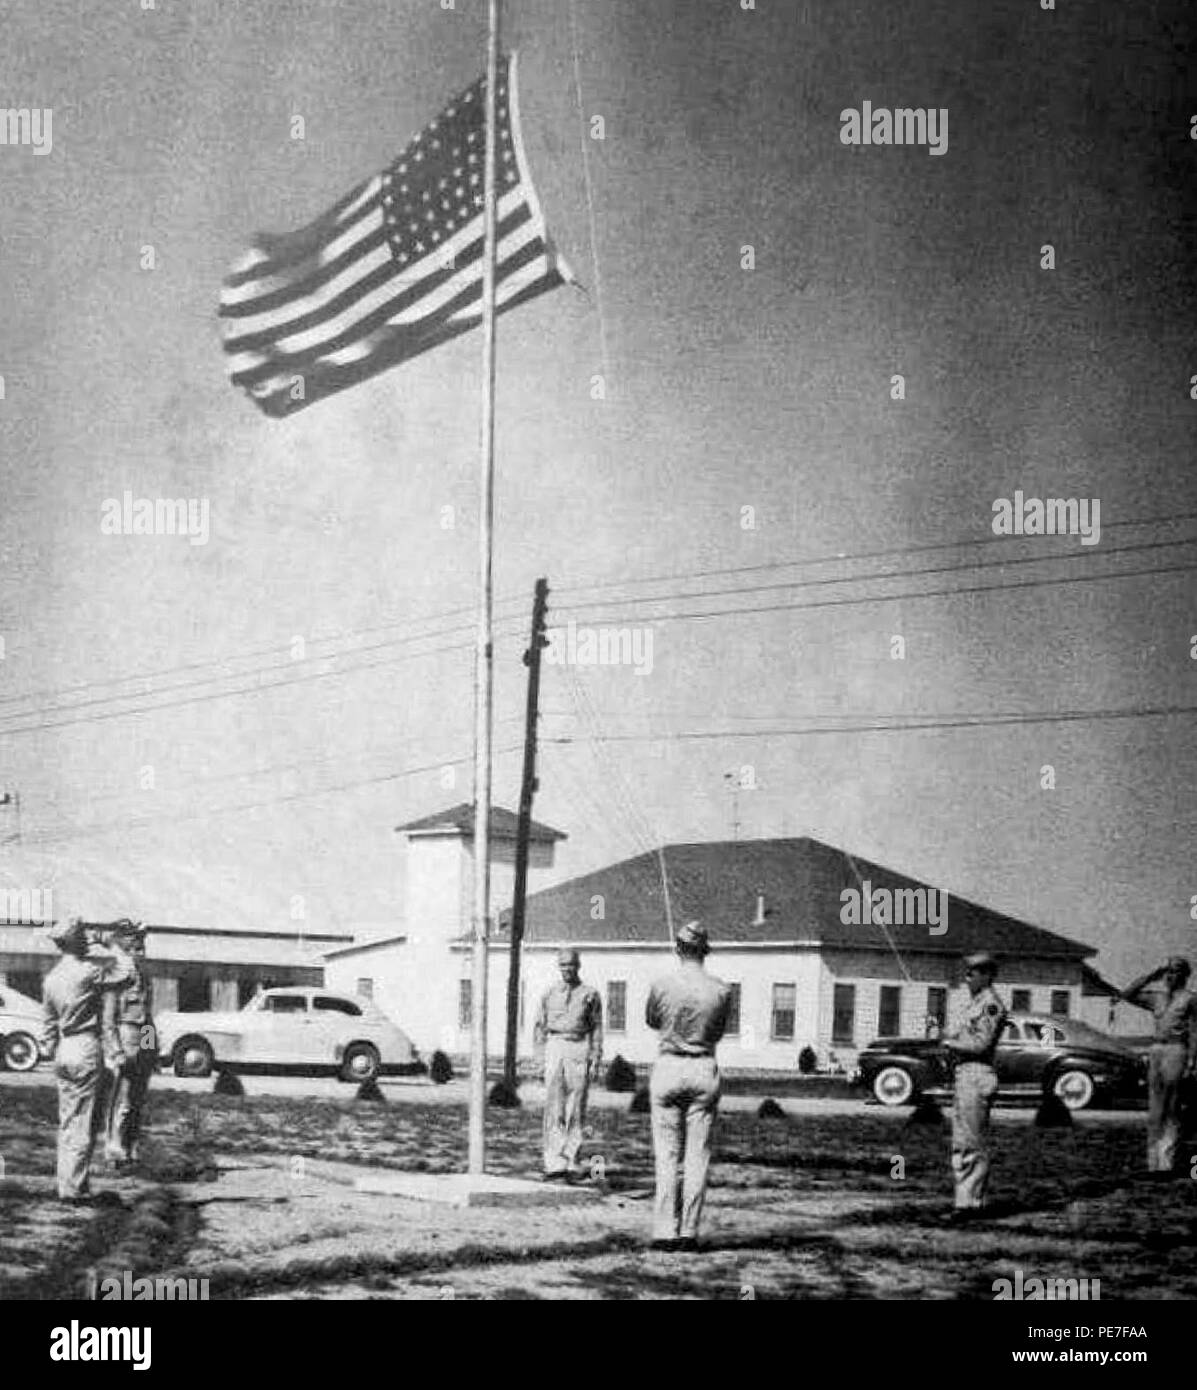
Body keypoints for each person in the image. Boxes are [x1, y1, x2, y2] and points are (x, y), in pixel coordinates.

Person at [645, 921, 732, 1250]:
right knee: (698, 1156)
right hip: (702, 1067)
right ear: (704, 951)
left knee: (666, 1155)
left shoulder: (662, 984)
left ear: (679, 949)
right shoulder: (721, 990)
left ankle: (665, 1231)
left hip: (669, 1066)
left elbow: (652, 1020)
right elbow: (719, 1032)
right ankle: (688, 1232)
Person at [38, 918, 125, 1203]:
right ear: (76, 940)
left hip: (64, 1048)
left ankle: (71, 1181)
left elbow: (48, 1027)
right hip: (86, 1045)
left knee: (68, 1120)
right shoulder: (88, 971)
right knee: (84, 1120)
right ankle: (73, 1190)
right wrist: (111, 944)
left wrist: (54, 1049)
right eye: (84, 936)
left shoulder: (51, 979)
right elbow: (125, 973)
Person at [941, 951, 1007, 1222]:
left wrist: (949, 1043)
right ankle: (965, 1201)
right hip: (964, 1074)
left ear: (987, 975)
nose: (967, 978)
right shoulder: (974, 1004)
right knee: (961, 1141)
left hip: (977, 1074)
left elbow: (981, 1044)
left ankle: (971, 1204)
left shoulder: (991, 1005)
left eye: (973, 973)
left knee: (971, 1141)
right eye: (967, 973)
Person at [1120, 956, 1197, 1173]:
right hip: (1156, 1049)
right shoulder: (1157, 999)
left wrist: (1192, 1060)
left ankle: (1167, 1161)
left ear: (1185, 975)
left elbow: (1194, 1030)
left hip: (1176, 1049)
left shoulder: (1190, 999)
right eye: (1168, 972)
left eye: (1176, 972)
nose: (1171, 976)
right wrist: (1151, 976)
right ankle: (1152, 1163)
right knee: (1155, 1108)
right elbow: (1127, 995)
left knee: (1172, 1107)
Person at [533, 948, 603, 1182]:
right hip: (555, 1045)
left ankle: (572, 1160)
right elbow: (539, 1028)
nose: (567, 970)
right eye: (563, 966)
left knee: (576, 1105)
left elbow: (596, 1028)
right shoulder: (549, 993)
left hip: (578, 1046)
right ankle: (554, 1163)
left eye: (571, 965)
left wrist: (595, 1056)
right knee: (554, 1106)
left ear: (578, 966)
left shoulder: (589, 994)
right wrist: (539, 1058)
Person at [98, 919, 154, 1168]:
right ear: (122, 940)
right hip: (123, 1036)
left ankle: (130, 1146)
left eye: (141, 938)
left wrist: (151, 1047)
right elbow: (108, 1018)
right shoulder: (116, 970)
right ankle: (113, 1149)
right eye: (134, 938)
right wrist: (115, 1050)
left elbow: (147, 1014)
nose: (139, 943)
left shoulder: (142, 971)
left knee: (136, 1100)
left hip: (141, 1039)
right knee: (119, 1100)